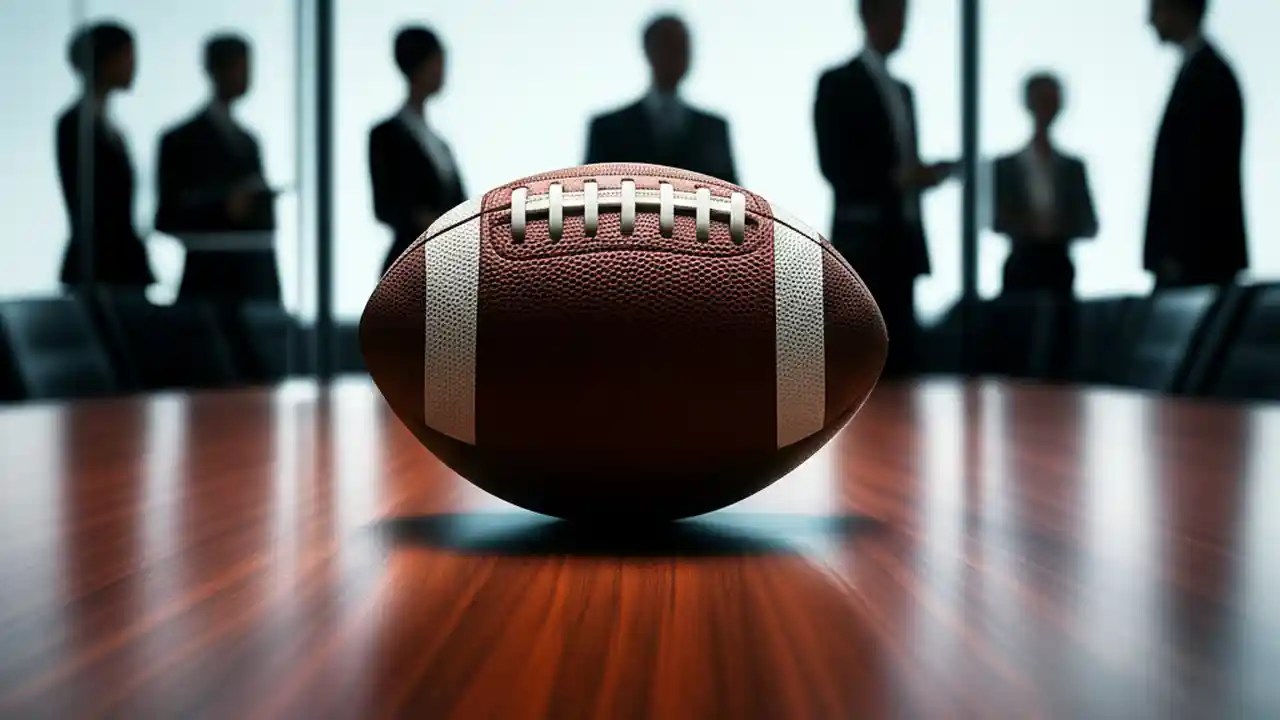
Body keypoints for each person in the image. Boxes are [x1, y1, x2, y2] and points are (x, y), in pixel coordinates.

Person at [814, 0, 952, 376]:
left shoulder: (904, 91)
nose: (902, 27)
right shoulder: (837, 83)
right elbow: (834, 165)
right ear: (870, 17)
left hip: (902, 241)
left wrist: (918, 178)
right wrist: (900, 179)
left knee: (903, 355)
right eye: (896, 18)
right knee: (864, 359)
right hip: (864, 241)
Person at [155, 34, 280, 303]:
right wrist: (223, 208)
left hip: (252, 280)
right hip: (208, 281)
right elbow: (167, 215)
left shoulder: (248, 141)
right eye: (240, 67)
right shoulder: (181, 139)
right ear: (216, 70)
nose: (247, 77)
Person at [1144, 0, 1246, 288]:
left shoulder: (1208, 75)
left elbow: (1198, 174)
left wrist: (1175, 250)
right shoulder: (1202, 71)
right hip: (1194, 254)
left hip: (1197, 256)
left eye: (1156, 10)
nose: (1150, 21)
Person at [56, 22, 155, 290]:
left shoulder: (110, 128)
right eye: (127, 56)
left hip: (122, 265)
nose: (134, 65)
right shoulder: (75, 124)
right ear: (105, 60)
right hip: (99, 266)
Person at [584, 15, 737, 183]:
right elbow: (590, 195)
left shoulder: (713, 129)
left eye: (683, 48)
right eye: (669, 46)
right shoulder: (607, 129)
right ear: (648, 50)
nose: (677, 56)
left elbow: (735, 197)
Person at [369, 26, 465, 276]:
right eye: (437, 62)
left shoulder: (438, 141)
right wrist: (429, 221)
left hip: (447, 261)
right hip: (410, 262)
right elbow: (385, 206)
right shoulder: (386, 135)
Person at [992, 73, 1098, 297]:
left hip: (1058, 265)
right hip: (1022, 263)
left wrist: (1054, 227)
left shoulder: (1073, 167)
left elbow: (1089, 224)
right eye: (1042, 101)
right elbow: (997, 220)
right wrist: (1031, 226)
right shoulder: (1005, 166)